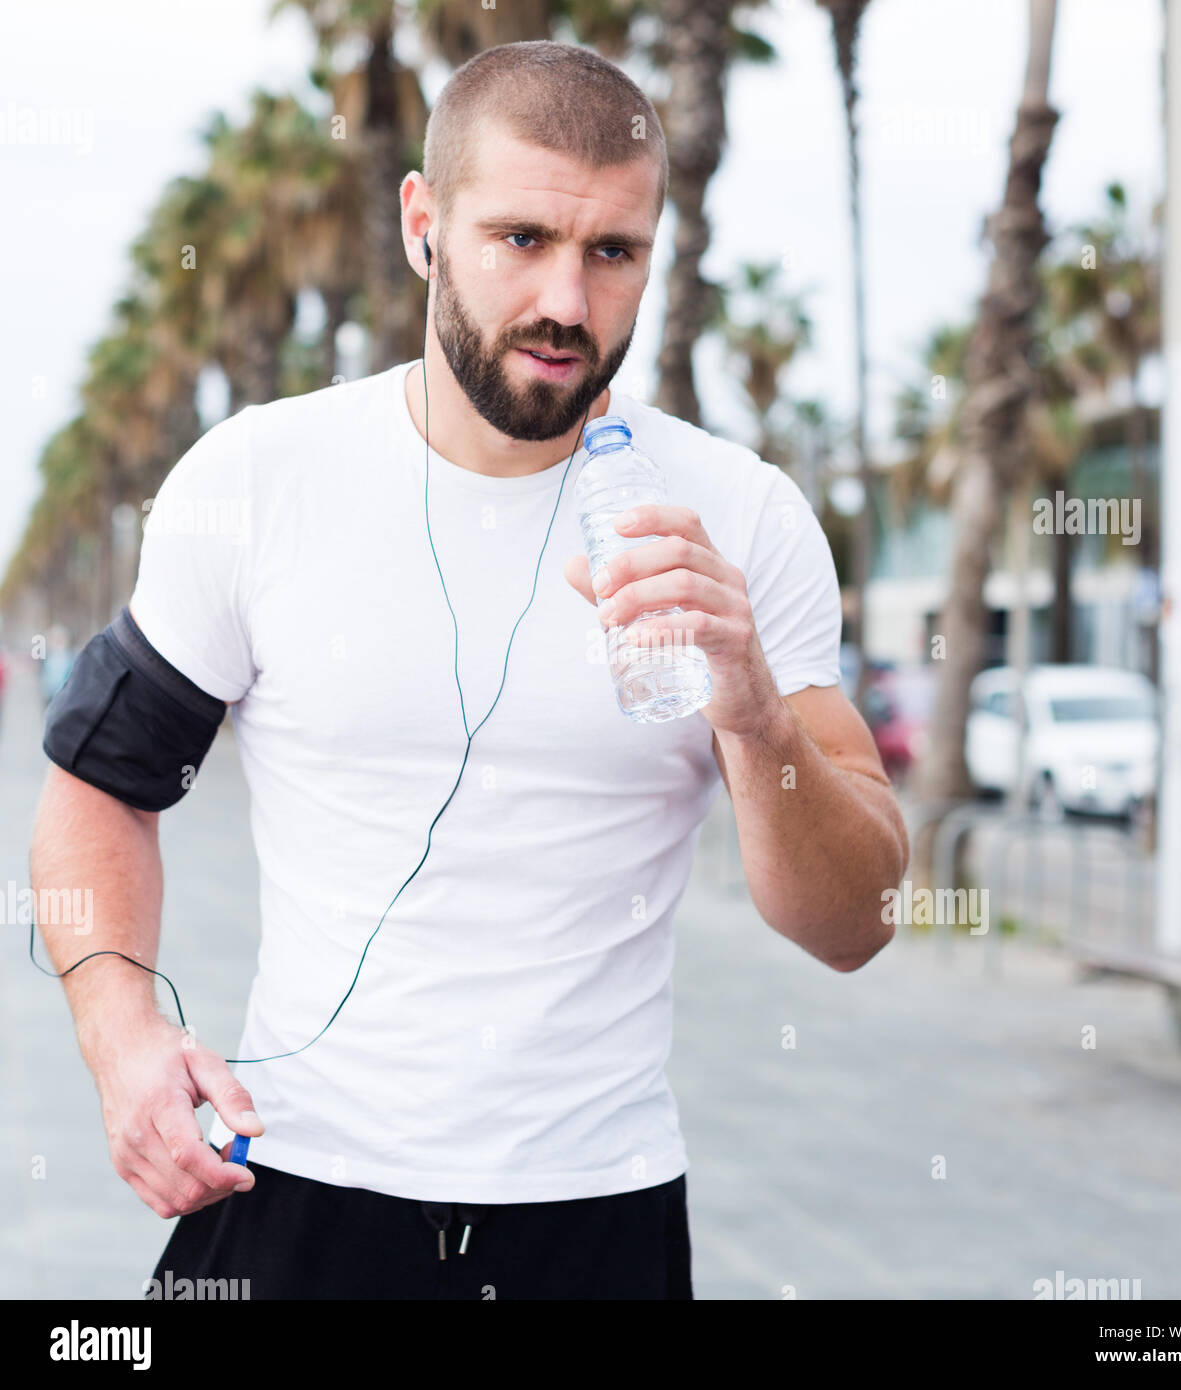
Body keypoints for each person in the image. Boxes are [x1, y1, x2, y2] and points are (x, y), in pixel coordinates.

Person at [30, 40, 908, 1301]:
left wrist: (755, 711)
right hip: (293, 1183)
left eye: (613, 253)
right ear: (422, 224)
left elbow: (857, 923)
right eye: (520, 239)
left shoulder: (740, 516)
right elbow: (101, 785)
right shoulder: (258, 478)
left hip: (593, 1213)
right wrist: (119, 1036)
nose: (566, 300)